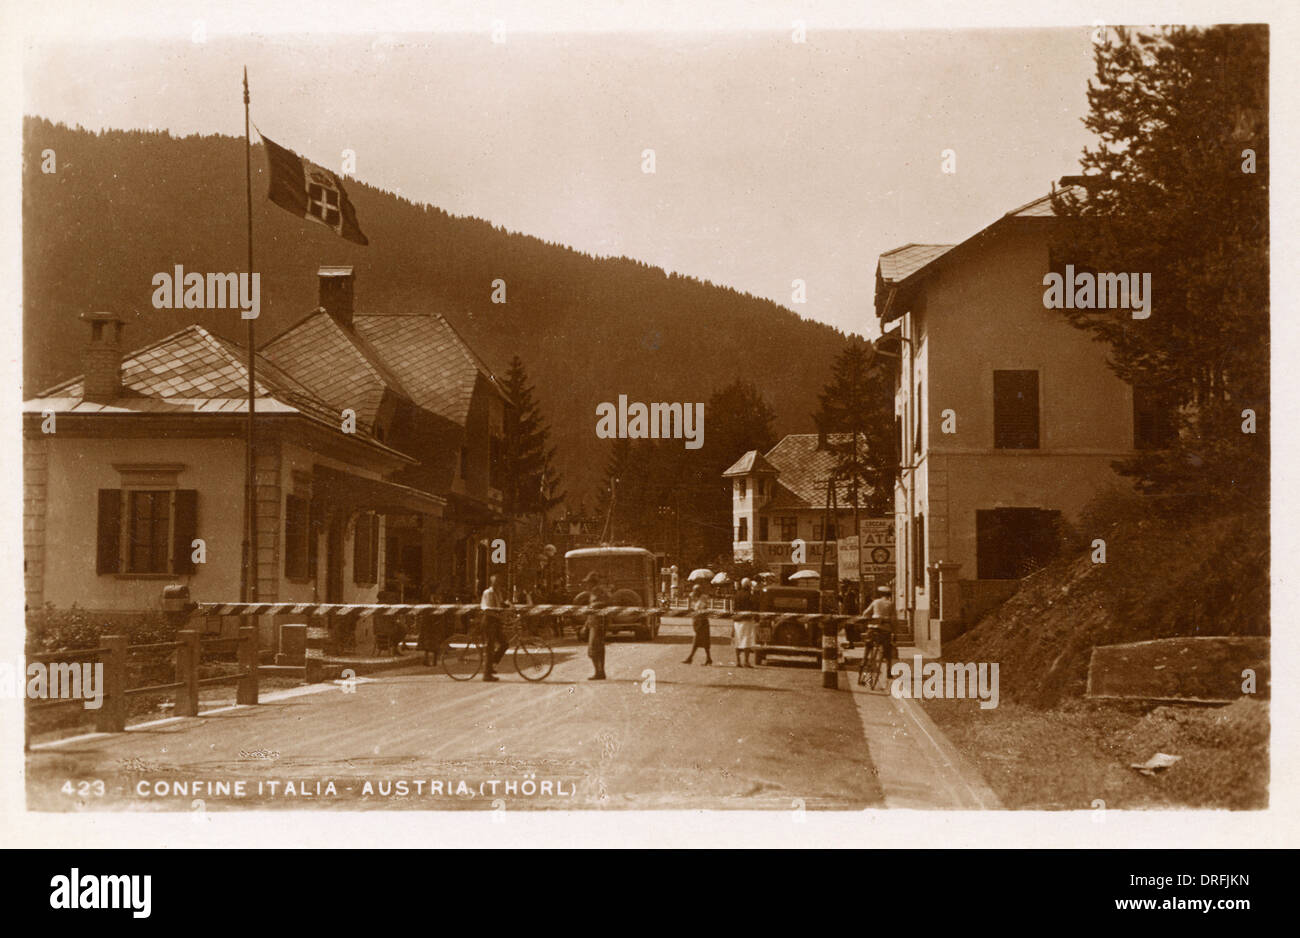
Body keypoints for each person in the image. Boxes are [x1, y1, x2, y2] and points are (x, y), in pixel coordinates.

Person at [581, 571, 611, 680]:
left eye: (588, 583)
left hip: (598, 623)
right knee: (596, 648)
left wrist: (593, 607)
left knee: (594, 649)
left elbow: (605, 602)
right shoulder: (593, 592)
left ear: (592, 583)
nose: (586, 585)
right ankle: (599, 671)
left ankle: (599, 672)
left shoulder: (599, 591)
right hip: (593, 622)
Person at [863, 586, 896, 683]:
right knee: (887, 651)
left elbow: (865, 613)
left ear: (880, 595)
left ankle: (864, 662)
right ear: (889, 595)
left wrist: (869, 620)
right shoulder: (891, 604)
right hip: (885, 630)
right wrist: (894, 631)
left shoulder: (875, 602)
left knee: (868, 647)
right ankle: (889, 671)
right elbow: (894, 620)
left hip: (872, 629)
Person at [480, 575, 509, 682]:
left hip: (496, 622)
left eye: (499, 583)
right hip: (489, 622)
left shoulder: (498, 593)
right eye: (496, 583)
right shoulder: (487, 593)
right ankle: (486, 674)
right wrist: (500, 616)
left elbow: (500, 604)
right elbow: (487, 610)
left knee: (505, 644)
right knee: (489, 647)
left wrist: (509, 606)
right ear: (492, 583)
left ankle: (492, 664)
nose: (498, 585)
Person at [682, 584, 713, 665]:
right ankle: (708, 658)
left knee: (697, 641)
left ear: (698, 591)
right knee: (703, 641)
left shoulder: (703, 599)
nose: (694, 592)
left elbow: (702, 609)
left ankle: (690, 658)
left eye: (695, 590)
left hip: (702, 622)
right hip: (697, 622)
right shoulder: (696, 599)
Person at [732, 578, 759, 668]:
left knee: (738, 640)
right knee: (746, 641)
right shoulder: (750, 595)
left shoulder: (737, 595)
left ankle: (738, 661)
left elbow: (734, 609)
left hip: (737, 621)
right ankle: (746, 661)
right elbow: (755, 606)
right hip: (747, 620)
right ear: (748, 586)